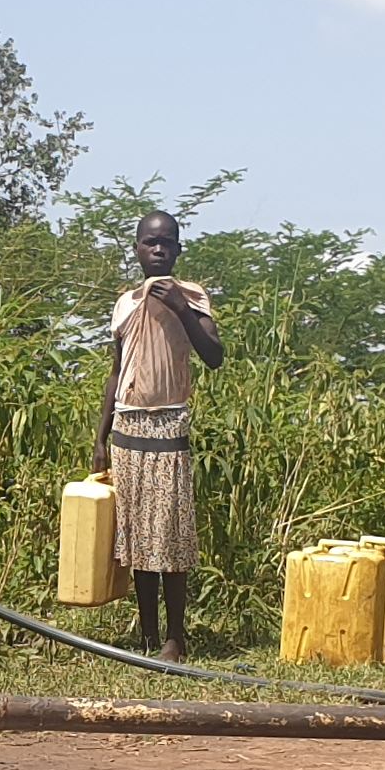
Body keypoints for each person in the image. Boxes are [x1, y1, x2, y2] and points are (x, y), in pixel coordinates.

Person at [101, 209, 222, 659]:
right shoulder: (125, 302)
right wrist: (100, 437)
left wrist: (181, 309)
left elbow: (214, 355)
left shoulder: (191, 296)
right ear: (136, 249)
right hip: (127, 426)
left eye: (166, 243)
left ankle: (176, 637)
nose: (158, 249)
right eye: (150, 243)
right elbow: (116, 372)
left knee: (169, 534)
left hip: (168, 423)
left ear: (177, 249)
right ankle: (147, 636)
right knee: (137, 537)